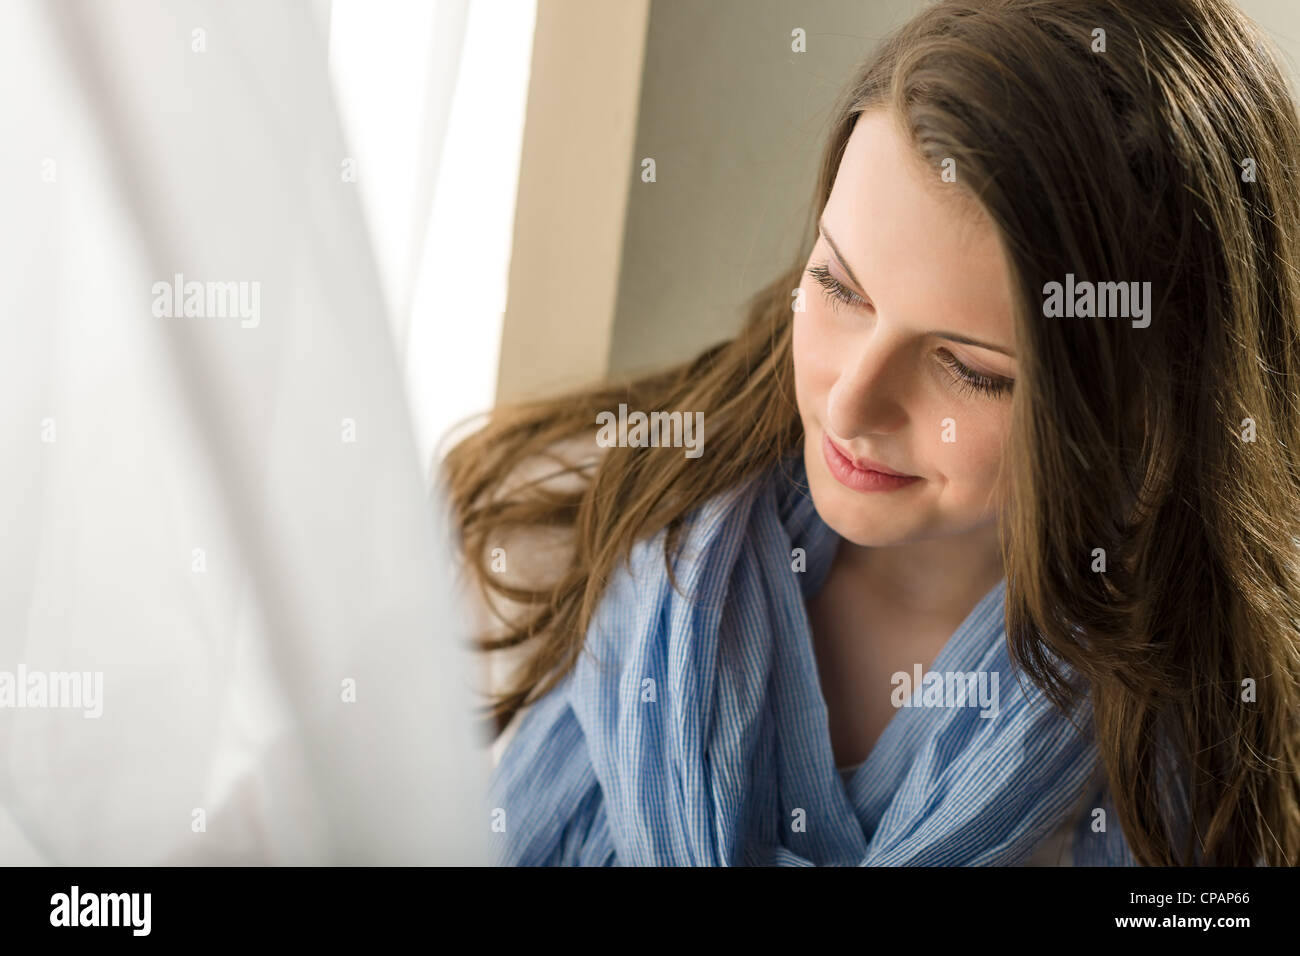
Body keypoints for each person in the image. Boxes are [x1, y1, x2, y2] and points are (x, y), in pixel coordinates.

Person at [444, 0, 1300, 866]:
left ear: (1149, 409)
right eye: (840, 287)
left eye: (970, 369)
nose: (852, 404)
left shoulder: (1216, 770)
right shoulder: (553, 522)